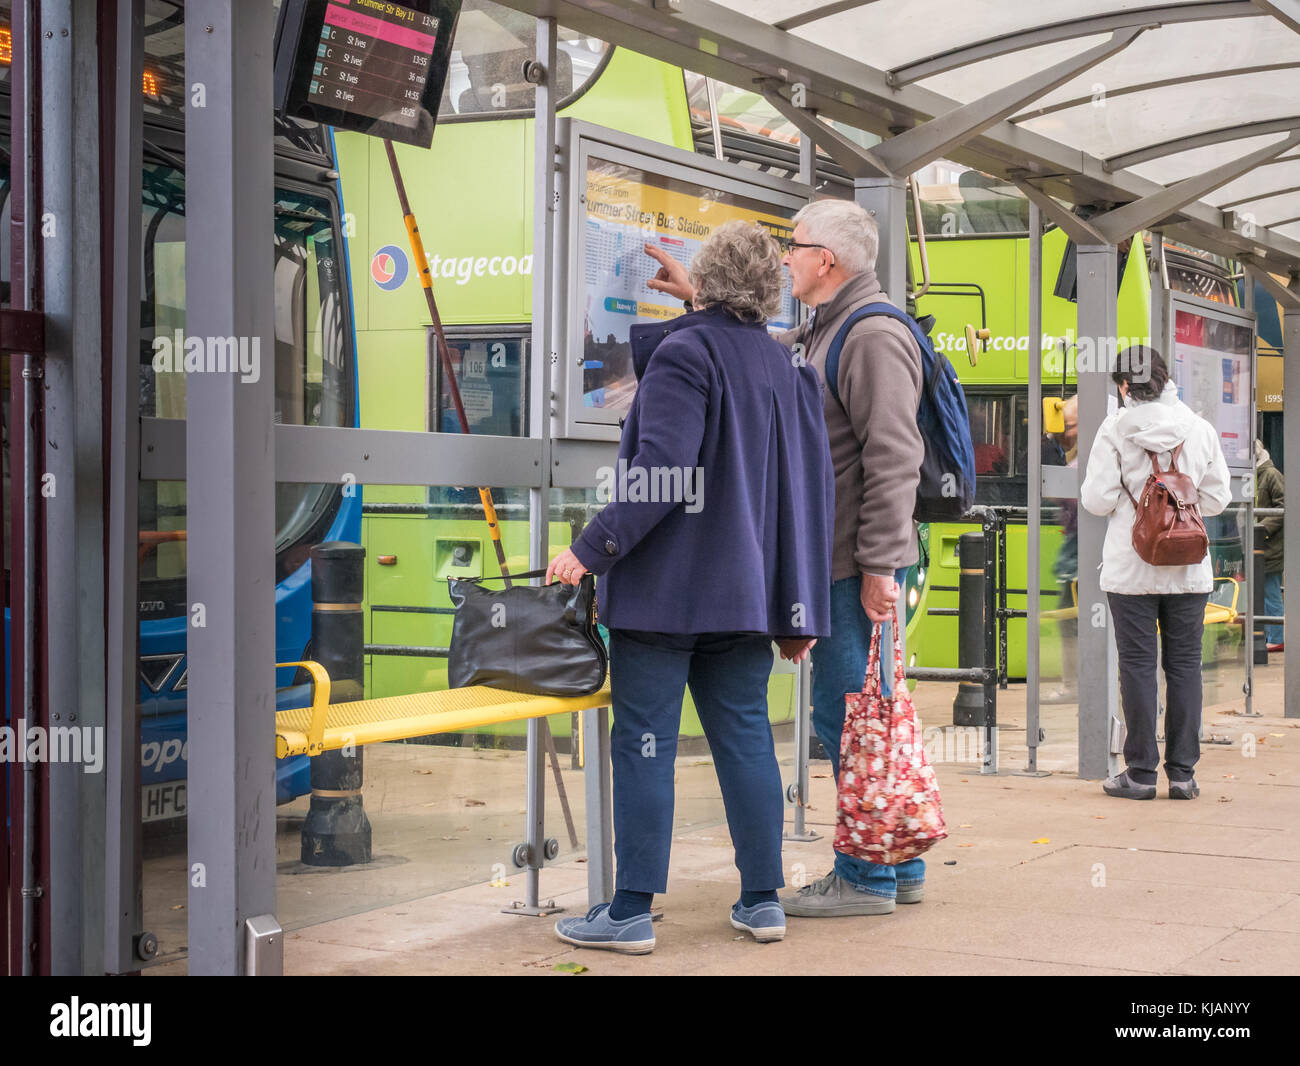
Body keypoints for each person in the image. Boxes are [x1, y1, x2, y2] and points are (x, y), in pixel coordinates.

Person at [545, 221, 835, 954]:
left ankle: (631, 911)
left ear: (705, 283)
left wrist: (592, 548)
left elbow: (662, 470)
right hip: (745, 597)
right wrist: (798, 602)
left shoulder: (684, 354)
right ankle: (763, 901)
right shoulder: (783, 367)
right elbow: (807, 492)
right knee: (743, 739)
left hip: (666, 592)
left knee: (645, 743)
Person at [643, 198, 927, 916]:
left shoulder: (872, 334)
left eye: (791, 245)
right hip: (839, 559)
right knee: (869, 713)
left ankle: (865, 879)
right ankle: (897, 862)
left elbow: (896, 459)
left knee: (848, 716)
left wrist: (880, 569)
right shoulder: (832, 325)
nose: (783, 258)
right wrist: (701, 297)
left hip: (852, 563)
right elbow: (765, 347)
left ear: (824, 260)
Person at [1080, 347, 1231, 800]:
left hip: (1131, 571)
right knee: (1185, 667)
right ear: (1166, 380)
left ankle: (1141, 773)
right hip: (1189, 570)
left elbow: (1096, 500)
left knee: (1138, 668)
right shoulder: (1199, 429)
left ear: (1125, 386)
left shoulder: (1113, 430)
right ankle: (1183, 775)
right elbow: (1219, 497)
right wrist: (1181, 509)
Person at [1254, 439, 1285, 652]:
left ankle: (1276, 637)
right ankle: (1269, 636)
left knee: (1270, 593)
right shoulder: (1258, 475)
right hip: (1260, 544)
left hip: (1269, 545)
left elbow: (1284, 505)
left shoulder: (1271, 475)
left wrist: (1261, 529)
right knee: (1262, 593)